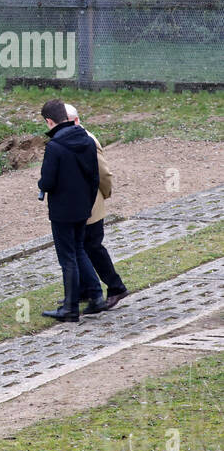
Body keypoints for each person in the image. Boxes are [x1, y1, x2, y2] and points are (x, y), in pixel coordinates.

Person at [38, 98, 102, 322]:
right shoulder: (86, 139)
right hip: (84, 206)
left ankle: (70, 308)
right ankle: (95, 294)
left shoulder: (54, 147)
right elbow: (95, 176)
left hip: (63, 212)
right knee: (79, 251)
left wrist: (41, 187)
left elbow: (47, 182)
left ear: (49, 121)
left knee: (68, 259)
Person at [65, 103, 129, 310]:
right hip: (83, 205)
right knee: (81, 248)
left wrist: (105, 194)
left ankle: (116, 287)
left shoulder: (88, 140)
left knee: (92, 247)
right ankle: (86, 290)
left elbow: (104, 174)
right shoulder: (72, 139)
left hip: (92, 205)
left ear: (75, 120)